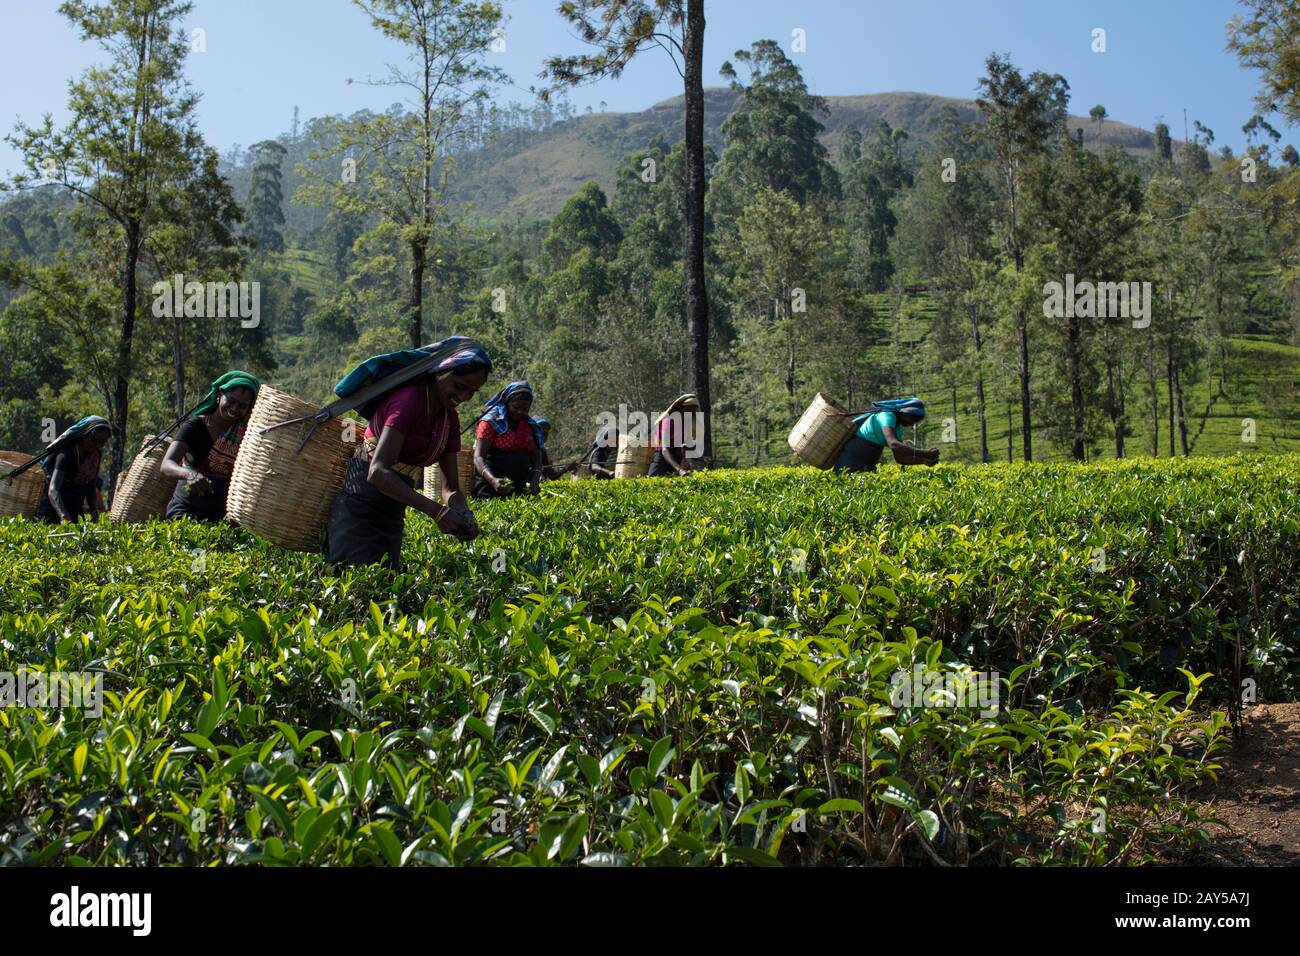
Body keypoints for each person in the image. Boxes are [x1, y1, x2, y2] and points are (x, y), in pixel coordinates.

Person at [327, 339, 491, 570]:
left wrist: (464, 514)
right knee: (356, 587)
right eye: (459, 386)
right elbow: (378, 472)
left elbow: (450, 488)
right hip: (359, 507)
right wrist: (437, 512)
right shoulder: (408, 400)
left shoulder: (448, 419)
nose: (463, 397)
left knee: (383, 587)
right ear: (440, 373)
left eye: (471, 392)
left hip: (393, 512)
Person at [161, 371, 260, 521]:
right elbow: (167, 464)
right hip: (185, 510)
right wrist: (189, 474)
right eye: (231, 400)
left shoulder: (246, 437)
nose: (234, 408)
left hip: (222, 517)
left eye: (242, 405)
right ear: (220, 395)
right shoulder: (194, 426)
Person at [471, 380, 545, 497]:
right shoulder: (490, 421)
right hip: (489, 484)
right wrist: (493, 480)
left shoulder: (531, 427)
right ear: (507, 402)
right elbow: (478, 457)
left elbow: (537, 458)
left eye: (525, 409)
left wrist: (535, 479)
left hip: (520, 485)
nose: (520, 411)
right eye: (516, 407)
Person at [34, 416, 112, 523]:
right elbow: (53, 490)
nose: (97, 445)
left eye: (102, 442)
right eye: (94, 440)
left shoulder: (96, 455)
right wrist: (64, 516)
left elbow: (90, 486)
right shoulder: (66, 454)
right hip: (53, 509)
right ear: (84, 435)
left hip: (75, 507)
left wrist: (94, 511)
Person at [834, 397, 939, 473]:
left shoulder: (898, 428)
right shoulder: (887, 416)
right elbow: (894, 444)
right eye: (912, 419)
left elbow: (900, 458)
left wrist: (924, 461)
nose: (912, 424)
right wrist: (925, 453)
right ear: (903, 412)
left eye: (916, 422)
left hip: (868, 466)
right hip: (849, 463)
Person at [648, 393, 700, 477]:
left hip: (677, 459)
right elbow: (664, 449)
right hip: (662, 460)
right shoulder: (668, 421)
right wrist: (679, 469)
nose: (689, 414)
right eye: (687, 410)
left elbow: (686, 445)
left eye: (691, 411)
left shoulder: (685, 424)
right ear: (680, 408)